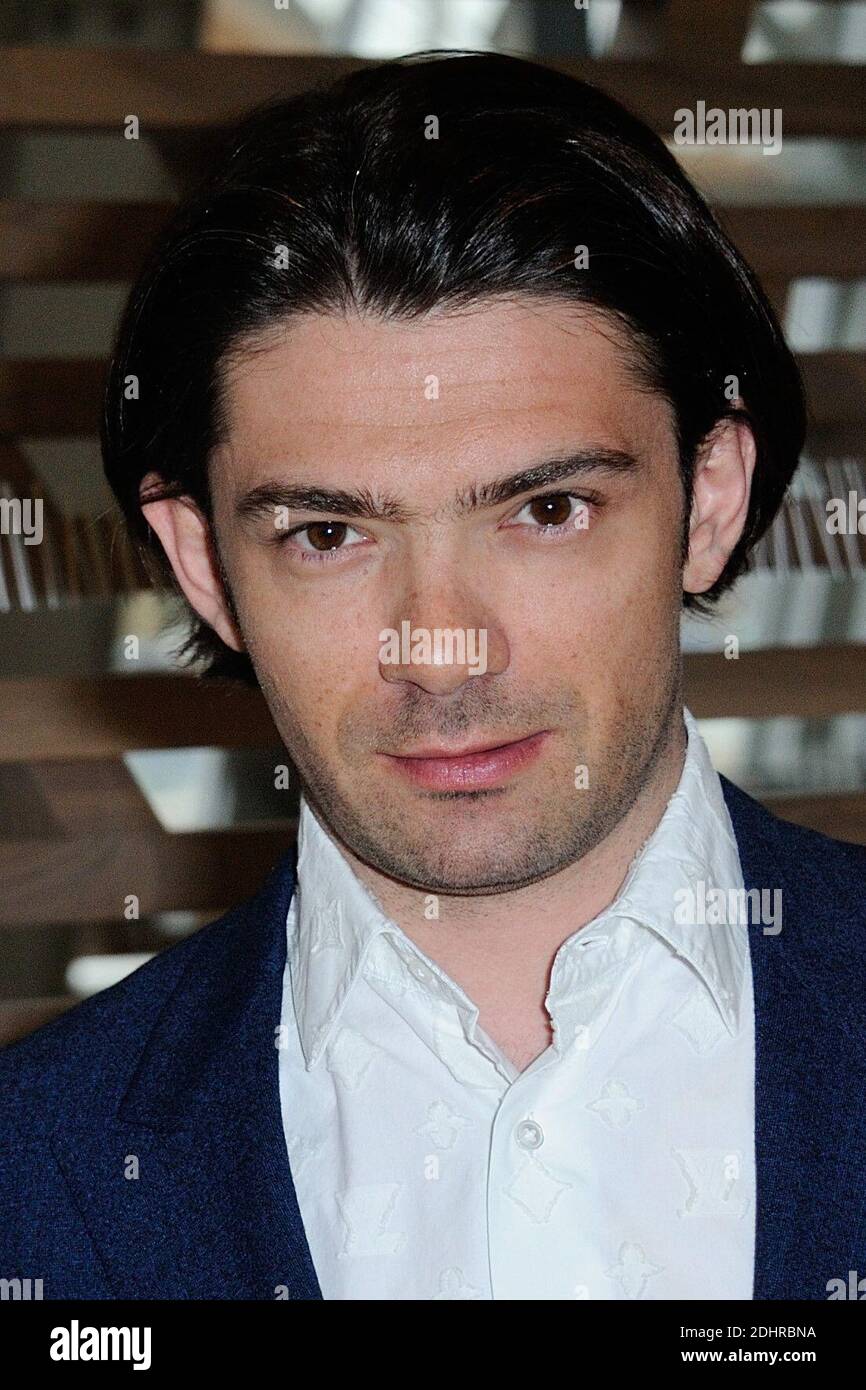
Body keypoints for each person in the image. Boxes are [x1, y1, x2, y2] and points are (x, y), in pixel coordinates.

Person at [2, 50, 864, 1302]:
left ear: (708, 501)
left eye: (547, 509)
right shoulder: (36, 1177)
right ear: (202, 564)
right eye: (328, 536)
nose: (440, 648)